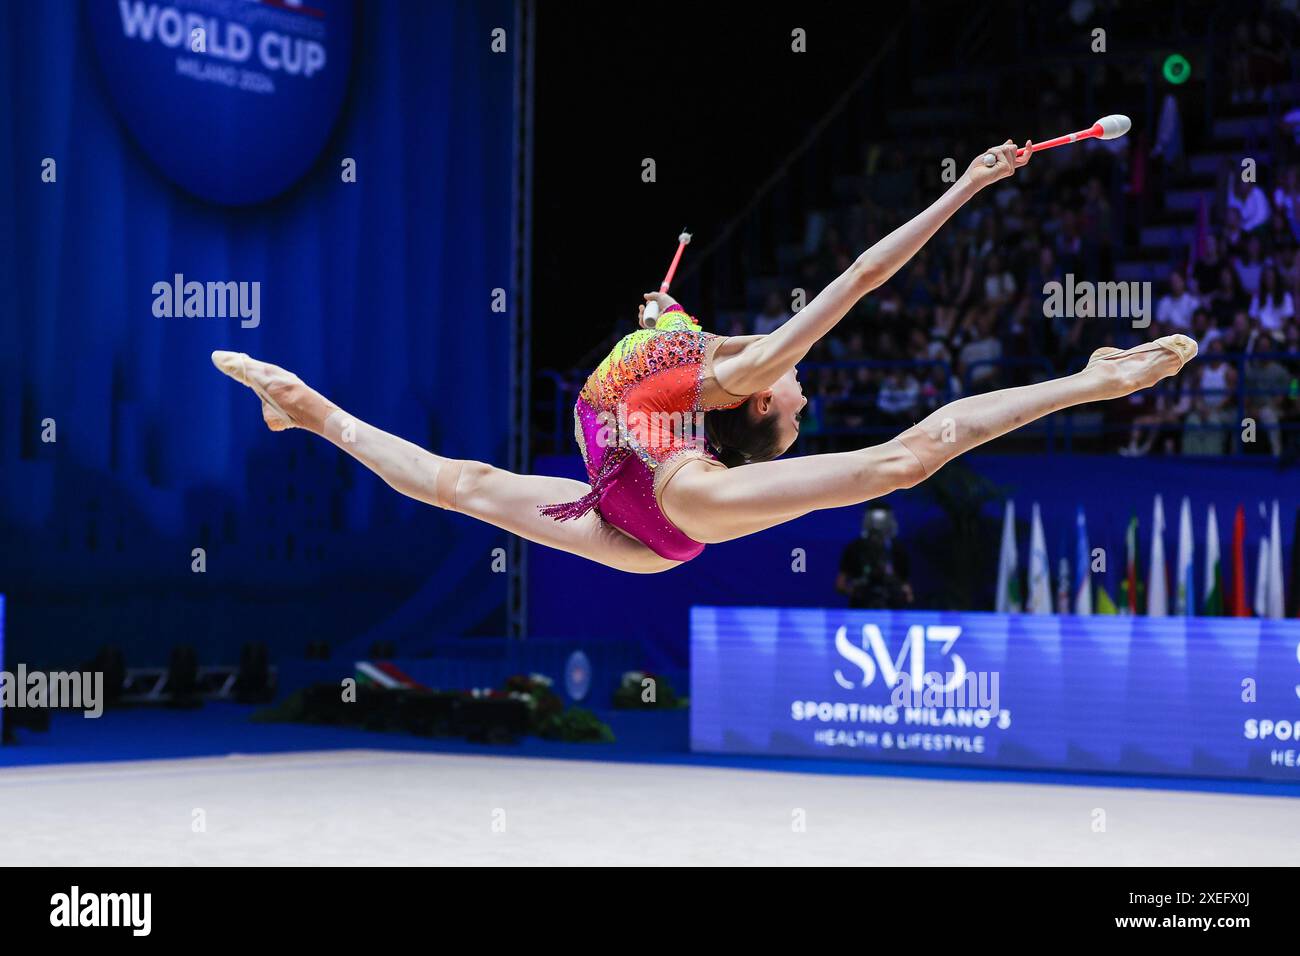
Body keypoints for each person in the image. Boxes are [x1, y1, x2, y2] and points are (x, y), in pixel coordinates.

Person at [213, 140, 1197, 574]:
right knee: (464, 483)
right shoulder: (714, 405)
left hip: (630, 487)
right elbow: (861, 323)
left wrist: (971, 188)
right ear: (759, 399)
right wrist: (1082, 380)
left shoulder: (709, 382)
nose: (803, 383)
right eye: (797, 383)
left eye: (794, 385)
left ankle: (313, 412)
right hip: (642, 489)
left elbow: (854, 286)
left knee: (468, 484)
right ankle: (312, 412)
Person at [837, 505, 913, 609]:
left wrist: (898, 590)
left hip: (892, 605)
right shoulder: (854, 547)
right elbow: (840, 584)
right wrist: (855, 591)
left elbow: (906, 588)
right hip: (861, 606)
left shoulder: (898, 548)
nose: (878, 524)